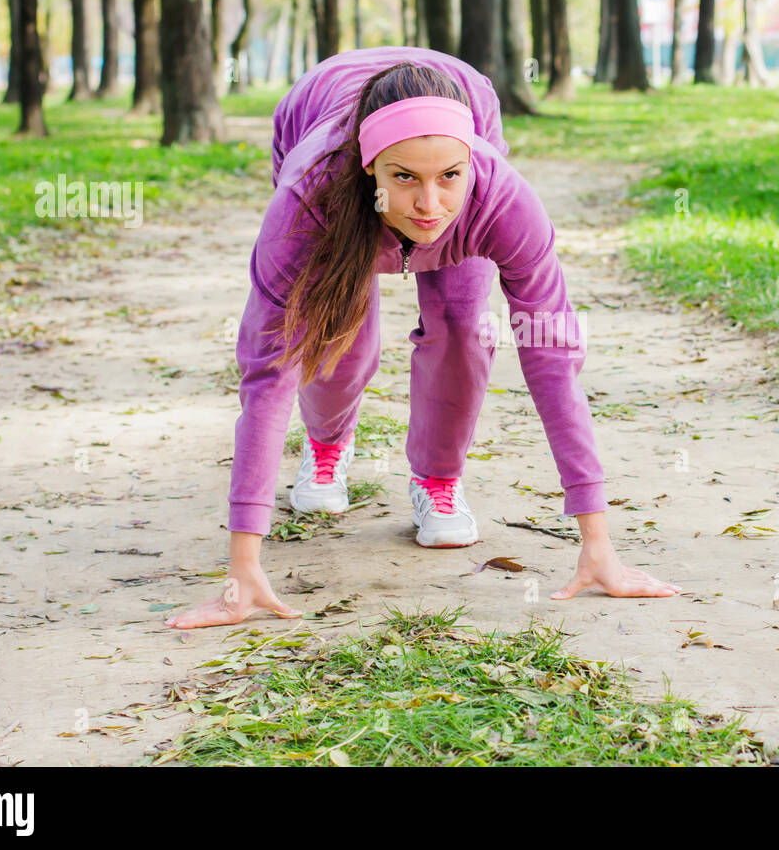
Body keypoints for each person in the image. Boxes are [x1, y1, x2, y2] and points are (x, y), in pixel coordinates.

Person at [166, 46, 680, 630]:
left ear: (471, 163)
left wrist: (598, 543)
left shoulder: (503, 204)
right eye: (404, 177)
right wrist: (242, 569)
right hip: (321, 122)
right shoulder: (307, 201)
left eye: (449, 177)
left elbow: (552, 357)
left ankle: (437, 481)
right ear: (370, 169)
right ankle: (328, 443)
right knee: (341, 329)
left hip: (461, 112)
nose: (429, 205)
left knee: (463, 326)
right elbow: (270, 367)